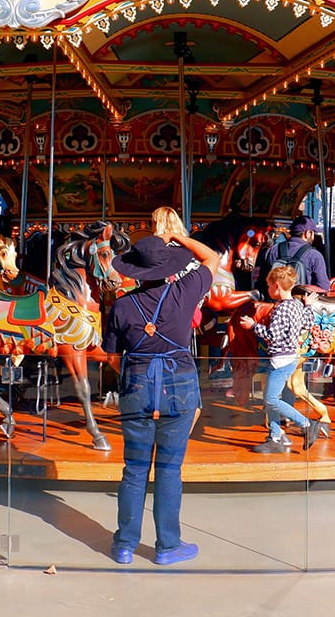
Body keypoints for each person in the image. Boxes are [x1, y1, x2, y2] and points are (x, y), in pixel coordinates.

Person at [104, 208, 219, 566]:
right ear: (167, 267)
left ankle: (125, 545)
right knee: (169, 469)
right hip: (178, 385)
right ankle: (168, 546)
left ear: (135, 272)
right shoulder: (186, 291)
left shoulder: (121, 306)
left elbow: (111, 357)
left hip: (137, 385)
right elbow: (212, 257)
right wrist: (177, 239)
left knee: (134, 468)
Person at [237, 266, 323, 454]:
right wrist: (307, 305)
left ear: (276, 287)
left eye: (268, 286)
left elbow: (272, 336)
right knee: (271, 399)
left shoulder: (281, 309)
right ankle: (275, 436)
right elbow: (308, 323)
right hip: (288, 357)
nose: (267, 290)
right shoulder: (296, 305)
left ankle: (307, 424)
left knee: (270, 399)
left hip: (280, 359)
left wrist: (253, 326)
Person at [255, 215, 329, 294]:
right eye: (313, 233)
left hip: (274, 303)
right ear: (307, 233)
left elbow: (262, 283)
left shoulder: (272, 250)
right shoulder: (314, 255)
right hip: (302, 304)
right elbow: (323, 288)